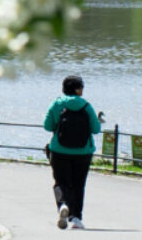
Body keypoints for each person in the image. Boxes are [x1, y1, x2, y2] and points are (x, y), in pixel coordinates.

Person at [44, 74, 104, 230]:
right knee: (78, 184)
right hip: (83, 152)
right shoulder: (86, 106)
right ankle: (76, 218)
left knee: (60, 182)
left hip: (59, 151)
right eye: (82, 87)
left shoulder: (57, 104)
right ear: (78, 89)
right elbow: (96, 129)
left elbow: (48, 126)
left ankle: (63, 205)